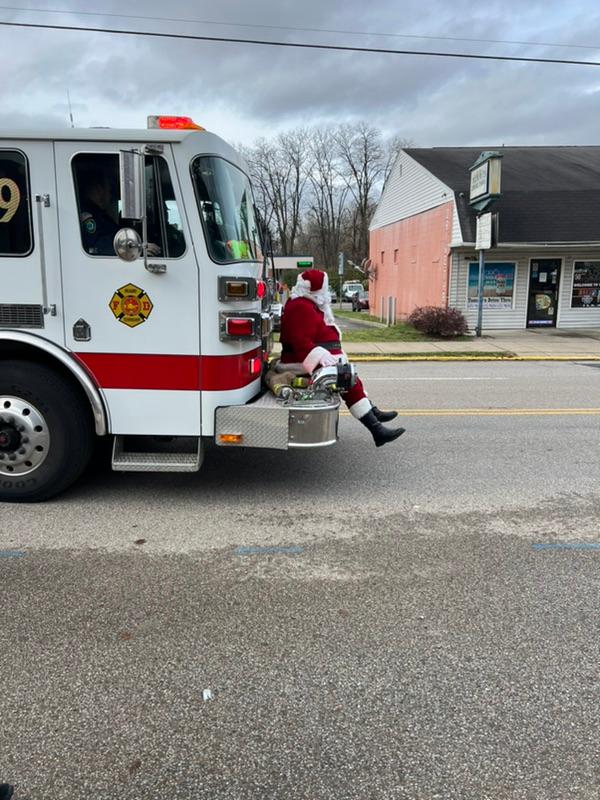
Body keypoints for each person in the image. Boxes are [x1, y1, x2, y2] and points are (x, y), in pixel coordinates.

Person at [279, 269, 405, 447]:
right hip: (299, 361)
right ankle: (377, 430)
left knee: (350, 375)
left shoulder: (307, 303)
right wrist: (322, 356)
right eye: (325, 287)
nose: (326, 291)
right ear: (316, 289)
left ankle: (372, 412)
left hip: (312, 357)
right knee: (345, 377)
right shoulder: (300, 306)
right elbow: (301, 343)